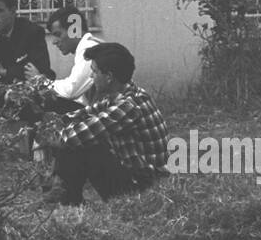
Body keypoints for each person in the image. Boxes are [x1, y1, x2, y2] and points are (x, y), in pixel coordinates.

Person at [38, 42, 169, 206]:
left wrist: (46, 133)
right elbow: (84, 113)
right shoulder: (127, 93)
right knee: (81, 136)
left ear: (109, 76)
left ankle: (69, 203)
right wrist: (55, 121)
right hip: (138, 174)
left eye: (94, 72)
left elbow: (71, 137)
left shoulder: (127, 107)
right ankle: (66, 198)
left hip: (144, 187)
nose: (91, 77)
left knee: (82, 143)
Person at [23, 5, 102, 112]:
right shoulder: (88, 46)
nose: (54, 41)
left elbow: (71, 90)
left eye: (58, 34)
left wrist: (41, 80)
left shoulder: (88, 48)